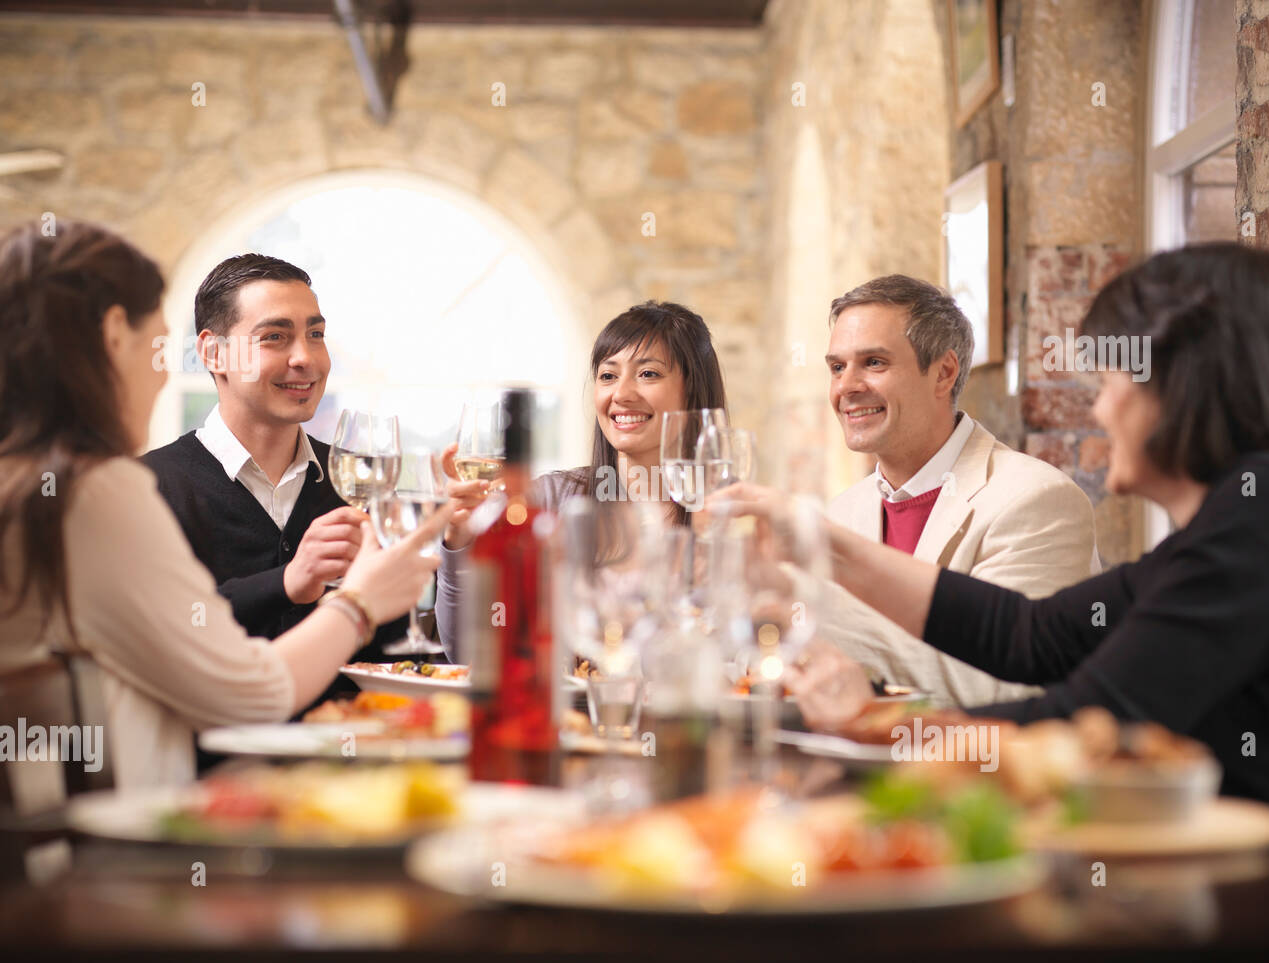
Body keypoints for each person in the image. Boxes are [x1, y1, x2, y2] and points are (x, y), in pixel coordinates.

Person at [718, 243, 1269, 806]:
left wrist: (873, 723)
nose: (1098, 410)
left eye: (1110, 383)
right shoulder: (1230, 522)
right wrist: (816, 541)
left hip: (1233, 889)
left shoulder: (1265, 507)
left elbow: (1082, 718)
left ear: (1184, 383)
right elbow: (1027, 633)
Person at [0, 221, 450, 789]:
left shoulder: (28, 483)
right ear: (117, 335)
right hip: (143, 836)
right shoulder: (102, 492)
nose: (162, 377)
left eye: (316, 334)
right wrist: (359, 602)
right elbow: (247, 694)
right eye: (155, 346)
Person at [814, 274, 1099, 707]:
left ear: (944, 372)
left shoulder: (1038, 500)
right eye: (837, 367)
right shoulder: (839, 515)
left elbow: (1010, 683)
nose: (847, 387)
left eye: (873, 362)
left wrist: (799, 611)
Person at [433, 300, 729, 661]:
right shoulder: (550, 500)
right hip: (569, 718)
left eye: (648, 374)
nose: (620, 394)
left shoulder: (729, 521)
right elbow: (470, 655)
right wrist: (461, 543)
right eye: (608, 375)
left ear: (693, 391)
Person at [141, 254, 400, 649]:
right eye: (274, 337)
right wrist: (287, 582)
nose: (306, 359)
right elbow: (154, 636)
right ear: (213, 353)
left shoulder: (365, 484)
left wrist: (453, 549)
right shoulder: (144, 490)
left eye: (315, 335)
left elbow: (402, 654)